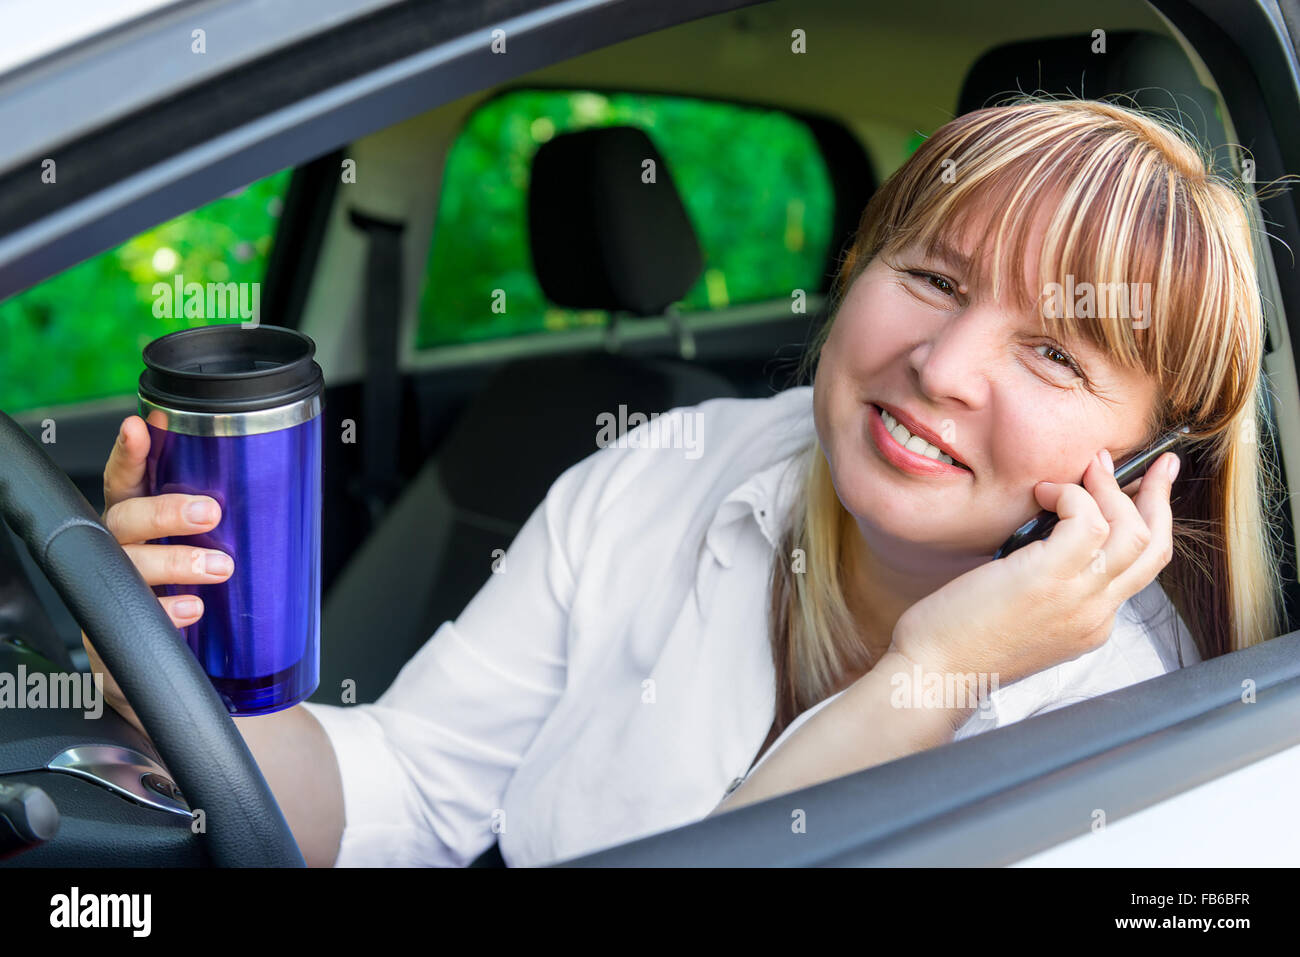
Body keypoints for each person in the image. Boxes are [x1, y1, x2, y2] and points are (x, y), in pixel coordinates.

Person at [85, 95, 1285, 867]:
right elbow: (409, 789)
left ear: (1141, 463)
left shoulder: (1126, 727)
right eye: (931, 278)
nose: (943, 365)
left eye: (1054, 353)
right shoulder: (668, 471)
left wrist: (926, 677)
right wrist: (170, 687)